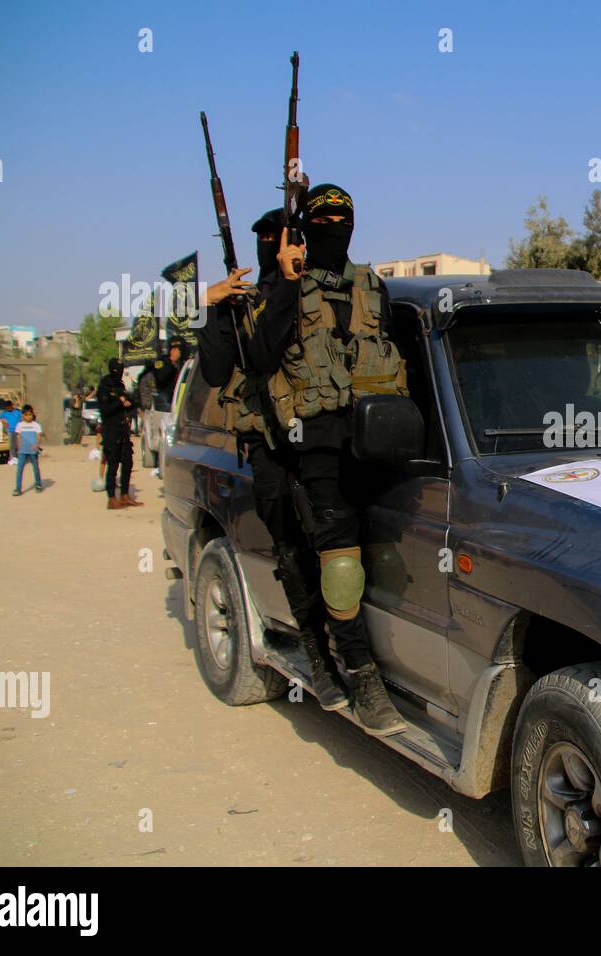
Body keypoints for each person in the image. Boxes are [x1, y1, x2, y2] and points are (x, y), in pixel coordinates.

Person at [249, 183, 406, 736]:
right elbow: (260, 356)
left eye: (344, 221)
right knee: (340, 566)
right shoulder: (282, 286)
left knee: (386, 562)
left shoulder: (373, 287)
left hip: (380, 445)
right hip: (316, 444)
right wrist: (287, 283)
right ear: (306, 230)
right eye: (324, 222)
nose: (336, 230)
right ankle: (362, 676)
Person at [197, 208, 348, 714]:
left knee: (335, 549)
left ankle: (353, 657)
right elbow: (220, 369)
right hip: (269, 448)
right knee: (292, 553)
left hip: (321, 442)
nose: (272, 244)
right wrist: (211, 305)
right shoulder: (244, 302)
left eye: (279, 235)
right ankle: (317, 657)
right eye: (264, 237)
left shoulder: (318, 291)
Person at [96, 357, 142, 510]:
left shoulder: (120, 385)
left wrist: (130, 403)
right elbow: (105, 410)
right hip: (111, 430)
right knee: (113, 464)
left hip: (123, 430)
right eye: (118, 370)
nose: (120, 373)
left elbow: (128, 402)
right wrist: (120, 402)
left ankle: (124, 495)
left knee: (128, 462)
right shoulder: (104, 386)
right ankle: (111, 498)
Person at [12, 405, 43, 496]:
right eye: (26, 415)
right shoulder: (19, 425)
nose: (28, 417)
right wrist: (18, 448)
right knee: (19, 469)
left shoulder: (36, 425)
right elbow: (18, 437)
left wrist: (37, 446)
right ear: (23, 415)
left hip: (33, 450)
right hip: (22, 451)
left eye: (30, 415)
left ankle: (38, 484)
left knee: (35, 468)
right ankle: (18, 488)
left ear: (33, 415)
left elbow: (38, 436)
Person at [0, 399, 22, 464]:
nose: (8, 408)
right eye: (6, 407)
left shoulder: (17, 412)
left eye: (9, 407)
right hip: (10, 431)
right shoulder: (4, 413)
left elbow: (22, 417)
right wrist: (3, 421)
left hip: (18, 431)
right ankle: (13, 458)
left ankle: (18, 457)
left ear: (12, 406)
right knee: (12, 445)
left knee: (18, 445)